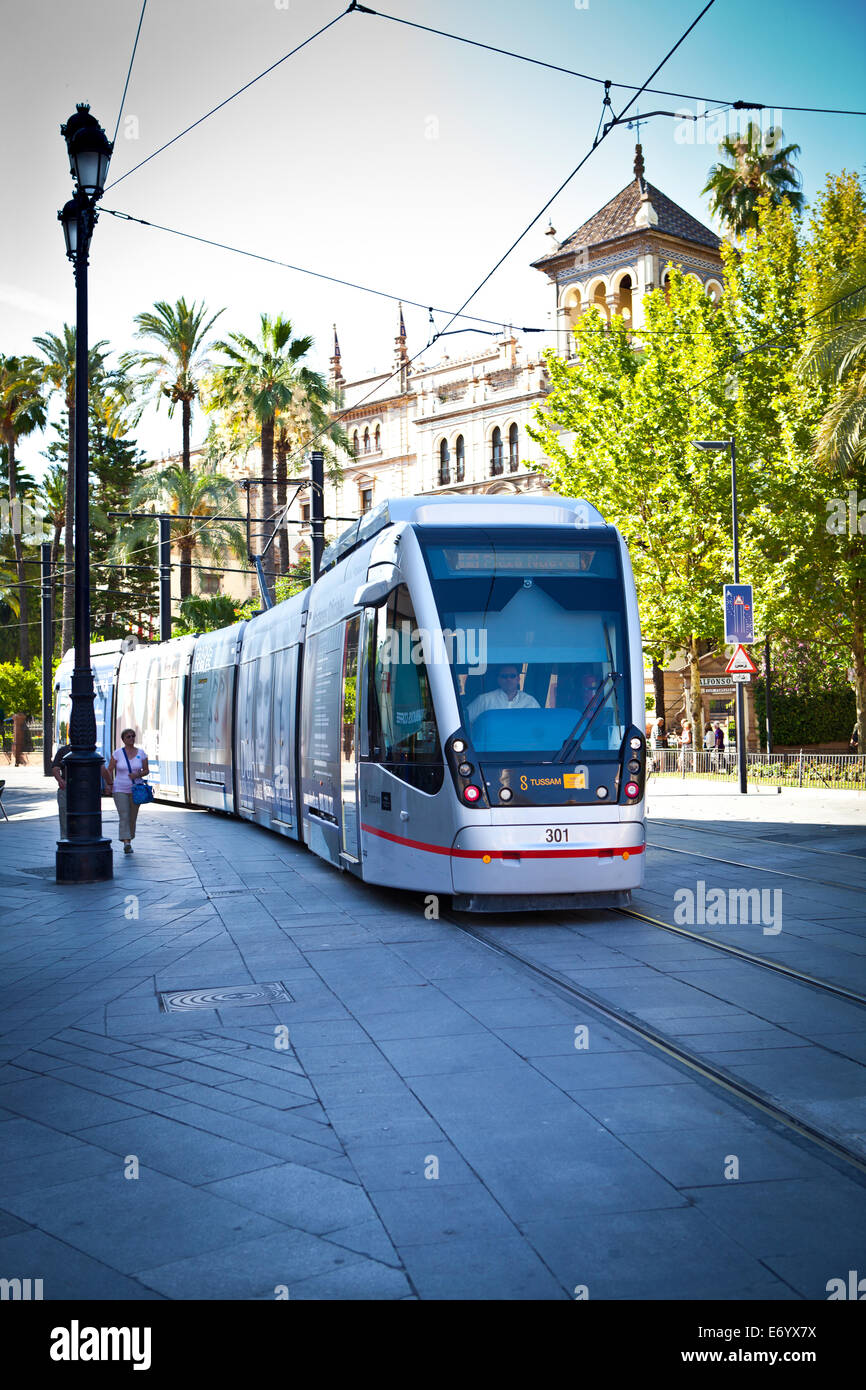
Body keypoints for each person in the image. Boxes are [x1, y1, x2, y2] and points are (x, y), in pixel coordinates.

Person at [51, 744, 112, 839]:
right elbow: (55, 768)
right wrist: (60, 780)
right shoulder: (65, 751)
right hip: (75, 788)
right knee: (70, 816)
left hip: (80, 789)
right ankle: (71, 838)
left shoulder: (88, 751)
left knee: (67, 816)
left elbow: (102, 769)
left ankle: (68, 838)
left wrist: (109, 783)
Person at [107, 729, 150, 854]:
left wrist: (138, 774)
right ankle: (126, 843)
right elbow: (109, 769)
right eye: (128, 737)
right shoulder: (117, 754)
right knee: (124, 815)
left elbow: (146, 770)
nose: (131, 738)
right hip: (119, 789)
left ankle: (129, 839)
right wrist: (109, 784)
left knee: (132, 817)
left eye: (133, 736)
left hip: (136, 790)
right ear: (123, 739)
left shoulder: (141, 753)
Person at [467, 666, 540, 723]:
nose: (508, 679)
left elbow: (539, 725)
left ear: (518, 679)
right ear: (498, 679)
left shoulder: (530, 702)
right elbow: (466, 721)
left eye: (512, 676)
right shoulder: (485, 700)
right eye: (504, 676)